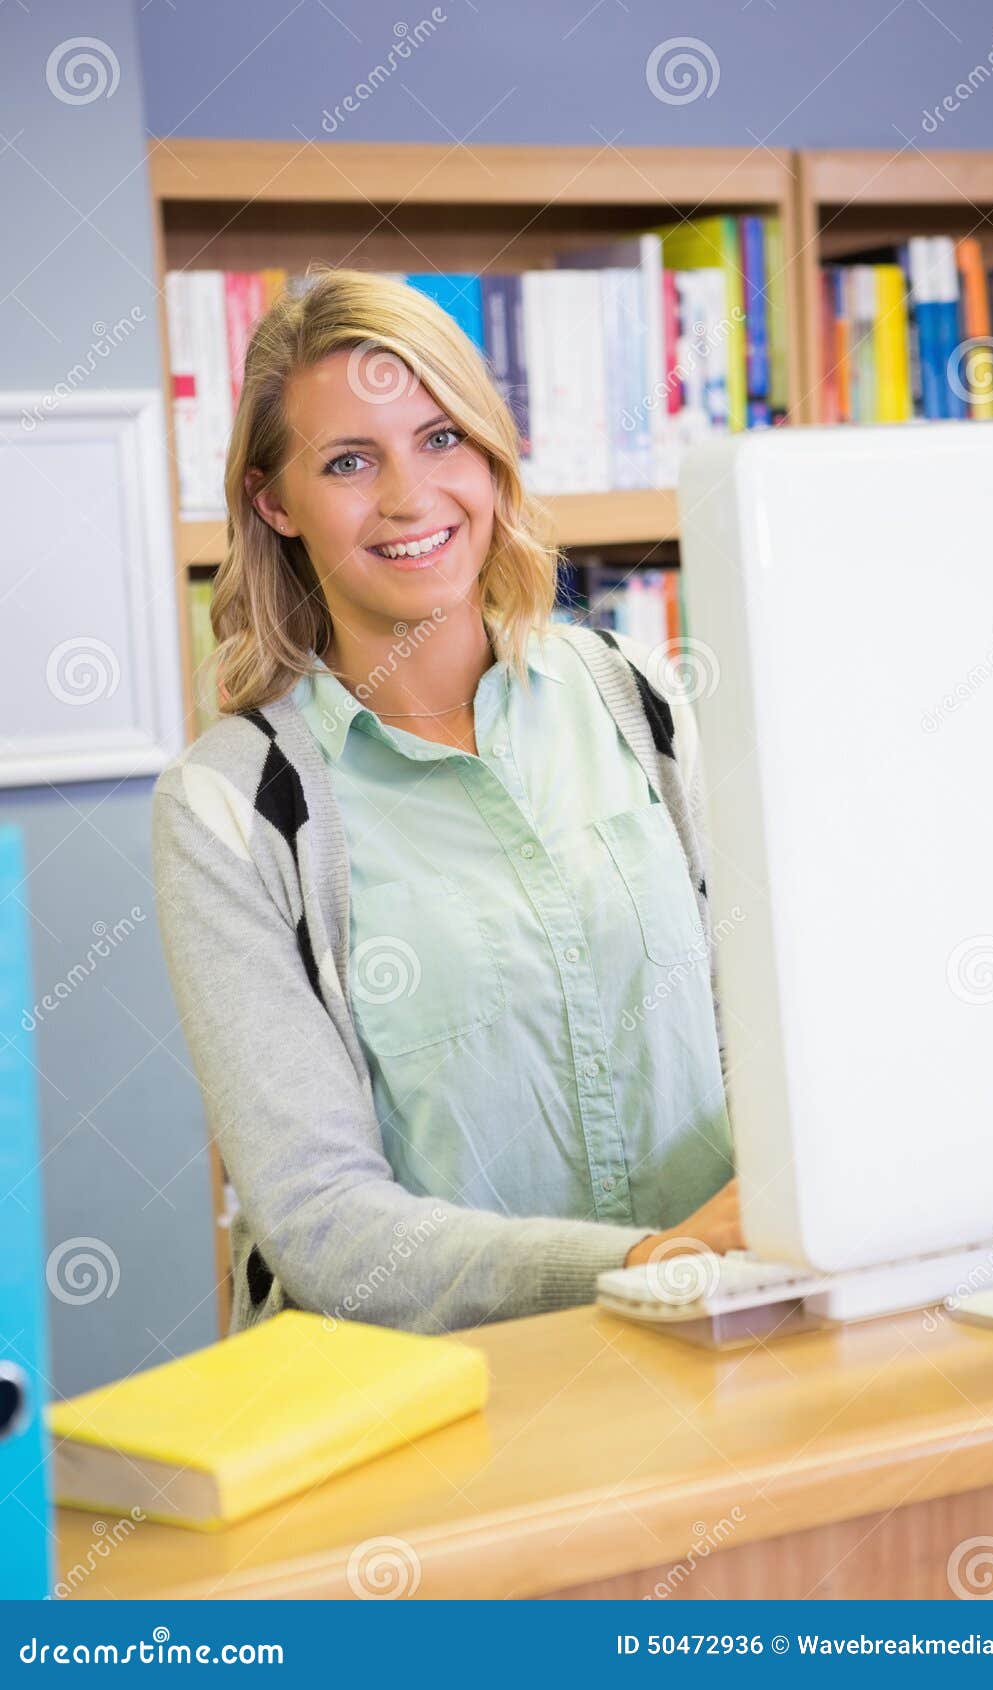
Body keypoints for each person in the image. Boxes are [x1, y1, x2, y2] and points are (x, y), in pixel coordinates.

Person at [152, 268, 741, 1336]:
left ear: (490, 449)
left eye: (439, 438)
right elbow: (323, 1223)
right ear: (272, 501)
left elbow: (757, 1035)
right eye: (346, 461)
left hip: (716, 1339)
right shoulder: (232, 808)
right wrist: (647, 1261)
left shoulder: (637, 697)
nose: (408, 497)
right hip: (444, 1406)